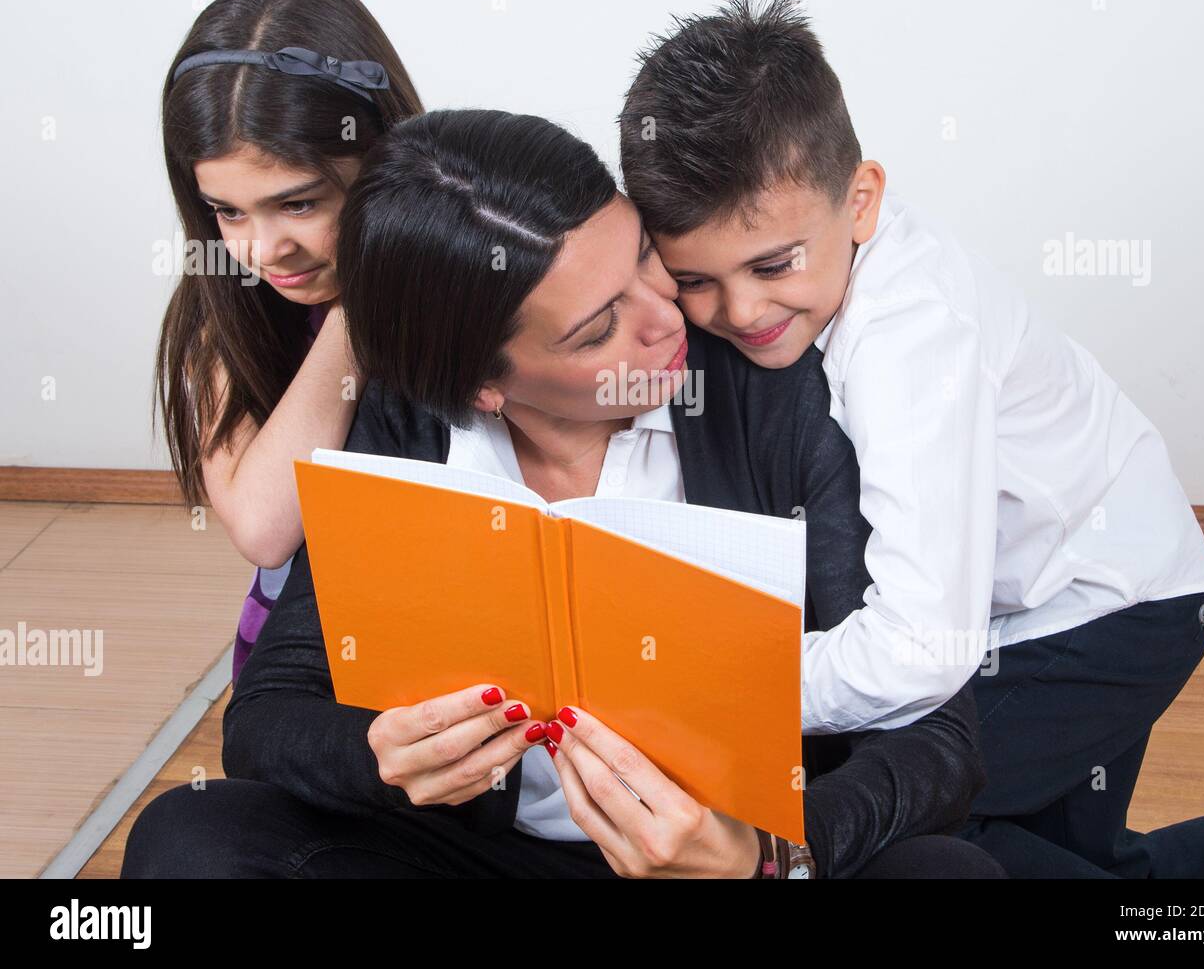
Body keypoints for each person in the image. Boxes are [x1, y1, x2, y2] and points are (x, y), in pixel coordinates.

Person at [123, 109, 1005, 879]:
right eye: (597, 330)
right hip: (477, 854)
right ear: (481, 387)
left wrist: (769, 858)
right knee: (192, 834)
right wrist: (376, 755)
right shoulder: (410, 421)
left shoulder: (769, 384)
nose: (671, 318)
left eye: (644, 262)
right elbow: (267, 713)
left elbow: (938, 739)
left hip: (722, 858)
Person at [616, 0, 1204, 878]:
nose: (740, 310)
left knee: (919, 813)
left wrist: (718, 684)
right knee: (1070, 854)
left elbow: (916, 652)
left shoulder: (911, 340)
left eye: (772, 264)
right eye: (695, 280)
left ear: (861, 201)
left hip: (1110, 609)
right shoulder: (825, 287)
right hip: (1035, 599)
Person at [152, 0, 423, 683]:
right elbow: (267, 528)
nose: (263, 250)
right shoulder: (221, 317)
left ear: (383, 159)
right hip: (302, 666)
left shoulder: (467, 276)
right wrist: (356, 312)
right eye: (228, 211)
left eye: (298, 204)